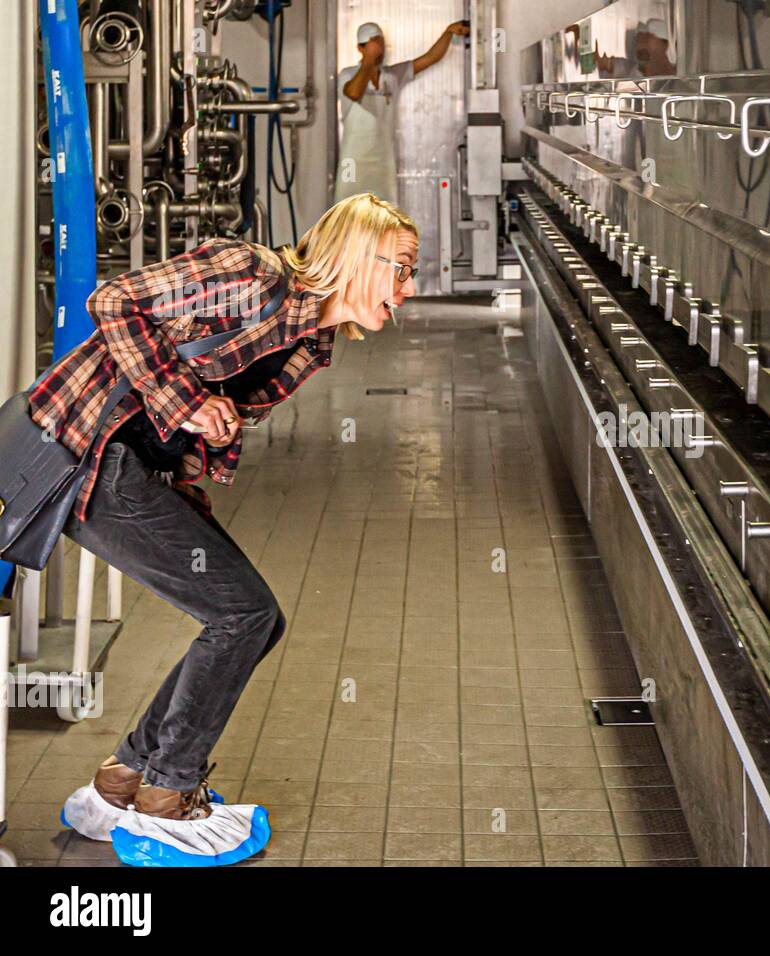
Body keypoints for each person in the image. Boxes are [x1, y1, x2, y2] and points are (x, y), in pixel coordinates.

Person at [30, 193, 418, 834]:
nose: (407, 289)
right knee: (242, 613)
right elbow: (114, 302)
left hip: (137, 468)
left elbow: (204, 420)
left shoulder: (311, 343)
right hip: (85, 453)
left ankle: (124, 781)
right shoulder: (252, 274)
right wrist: (185, 400)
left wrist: (194, 451)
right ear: (356, 253)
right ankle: (169, 796)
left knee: (256, 621)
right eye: (400, 267)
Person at [334, 19, 471, 203]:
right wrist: (368, 60)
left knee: (384, 218)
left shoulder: (392, 76)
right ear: (360, 48)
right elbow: (353, 92)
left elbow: (431, 57)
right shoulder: (348, 75)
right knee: (349, 214)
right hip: (353, 165)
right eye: (373, 43)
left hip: (383, 164)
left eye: (381, 42)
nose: (379, 48)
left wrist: (448, 32)